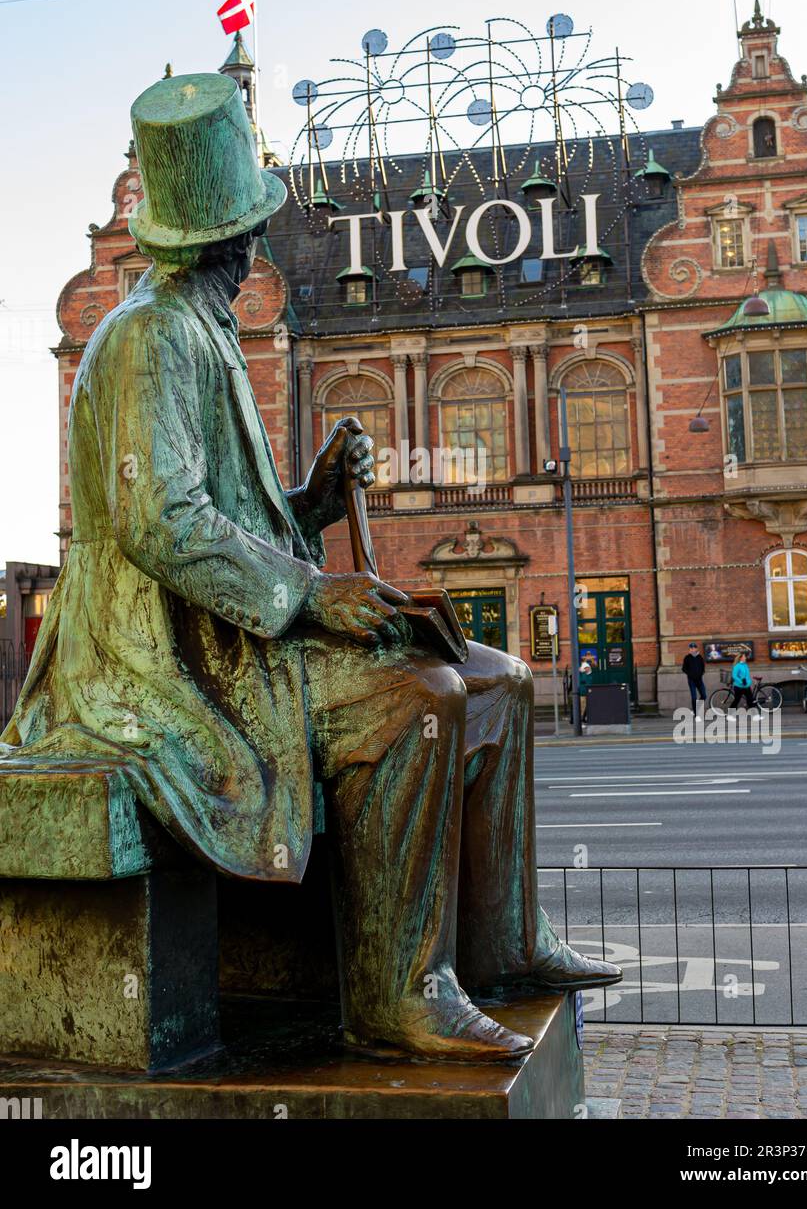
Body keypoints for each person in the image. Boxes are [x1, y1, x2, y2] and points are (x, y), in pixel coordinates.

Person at [0, 72, 620, 1065]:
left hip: (230, 628)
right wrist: (307, 592)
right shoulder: (153, 336)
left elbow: (227, 518)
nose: (257, 245)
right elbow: (162, 525)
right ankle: (396, 993)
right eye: (248, 228)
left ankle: (501, 944)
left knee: (498, 681)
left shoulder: (201, 328)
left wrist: (314, 501)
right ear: (225, 239)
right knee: (415, 697)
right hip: (169, 663)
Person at [681, 642, 707, 712]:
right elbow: (684, 669)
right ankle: (696, 714)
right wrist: (690, 674)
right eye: (691, 648)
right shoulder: (687, 658)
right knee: (694, 697)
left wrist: (701, 673)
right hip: (691, 680)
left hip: (699, 680)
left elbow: (703, 667)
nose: (692, 649)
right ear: (689, 649)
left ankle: (697, 708)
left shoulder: (700, 657)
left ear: (696, 649)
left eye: (694, 648)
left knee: (704, 696)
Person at [578, 651, 596, 721]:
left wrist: (591, 659)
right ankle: (582, 718)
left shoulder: (590, 675)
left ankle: (587, 717)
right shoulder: (582, 675)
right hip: (583, 694)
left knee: (589, 706)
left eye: (588, 667)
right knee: (582, 707)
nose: (587, 669)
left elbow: (594, 664)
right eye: (585, 668)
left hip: (589, 693)